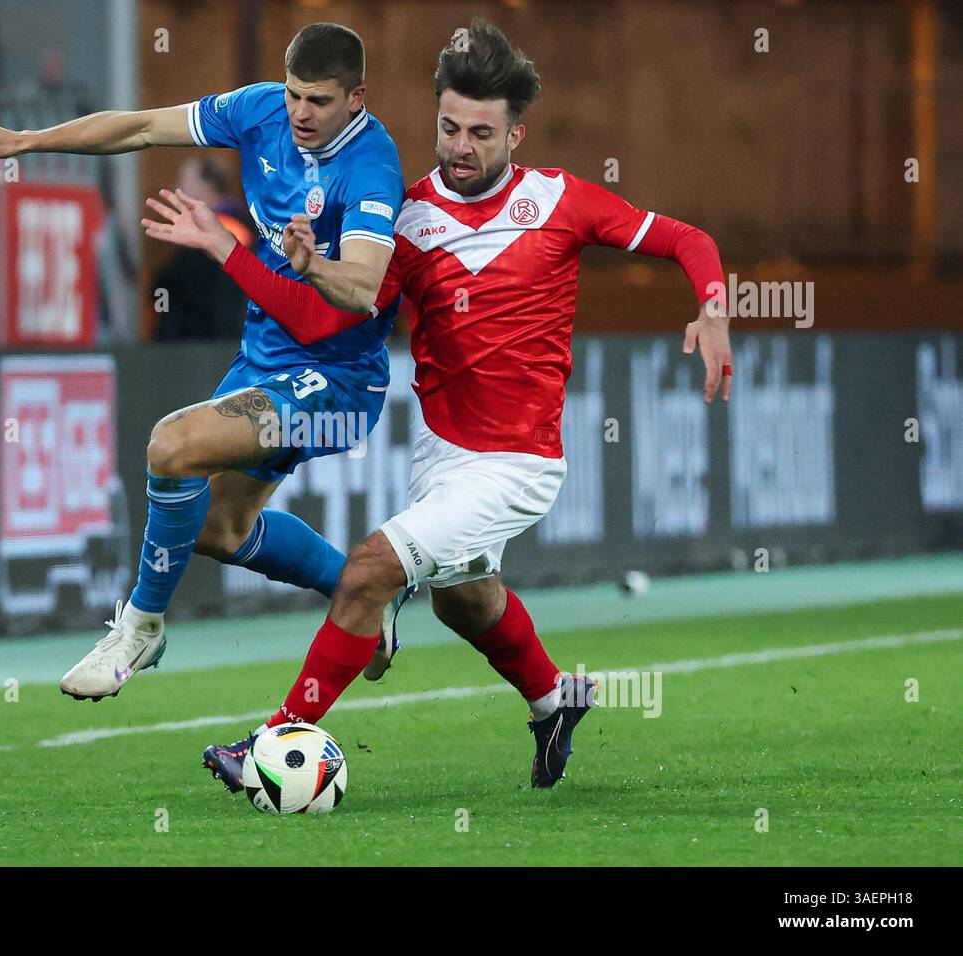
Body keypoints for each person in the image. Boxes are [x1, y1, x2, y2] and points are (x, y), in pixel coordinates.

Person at [142, 21, 733, 792]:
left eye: (481, 132)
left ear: (515, 133)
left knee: (369, 573)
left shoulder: (562, 202)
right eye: (449, 126)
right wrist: (295, 266)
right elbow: (326, 322)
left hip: (518, 461)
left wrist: (713, 306)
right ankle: (555, 699)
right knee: (463, 600)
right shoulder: (405, 223)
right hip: (442, 455)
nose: (461, 145)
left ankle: (275, 744)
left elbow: (686, 239)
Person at [0, 23, 406, 702]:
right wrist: (27, 141)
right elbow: (138, 127)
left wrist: (294, 261)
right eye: (294, 95)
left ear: (356, 96)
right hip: (266, 356)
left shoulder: (371, 165)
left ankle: (141, 626)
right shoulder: (259, 111)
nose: (301, 113)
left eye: (319, 100)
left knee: (171, 445)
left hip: (336, 381)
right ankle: (361, 593)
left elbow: (364, 288)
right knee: (220, 529)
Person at [152, 158, 253, 341]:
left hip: (214, 344)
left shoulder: (230, 227)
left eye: (185, 182)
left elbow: (187, 285)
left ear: (207, 187)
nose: (177, 187)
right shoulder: (198, 230)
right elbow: (164, 291)